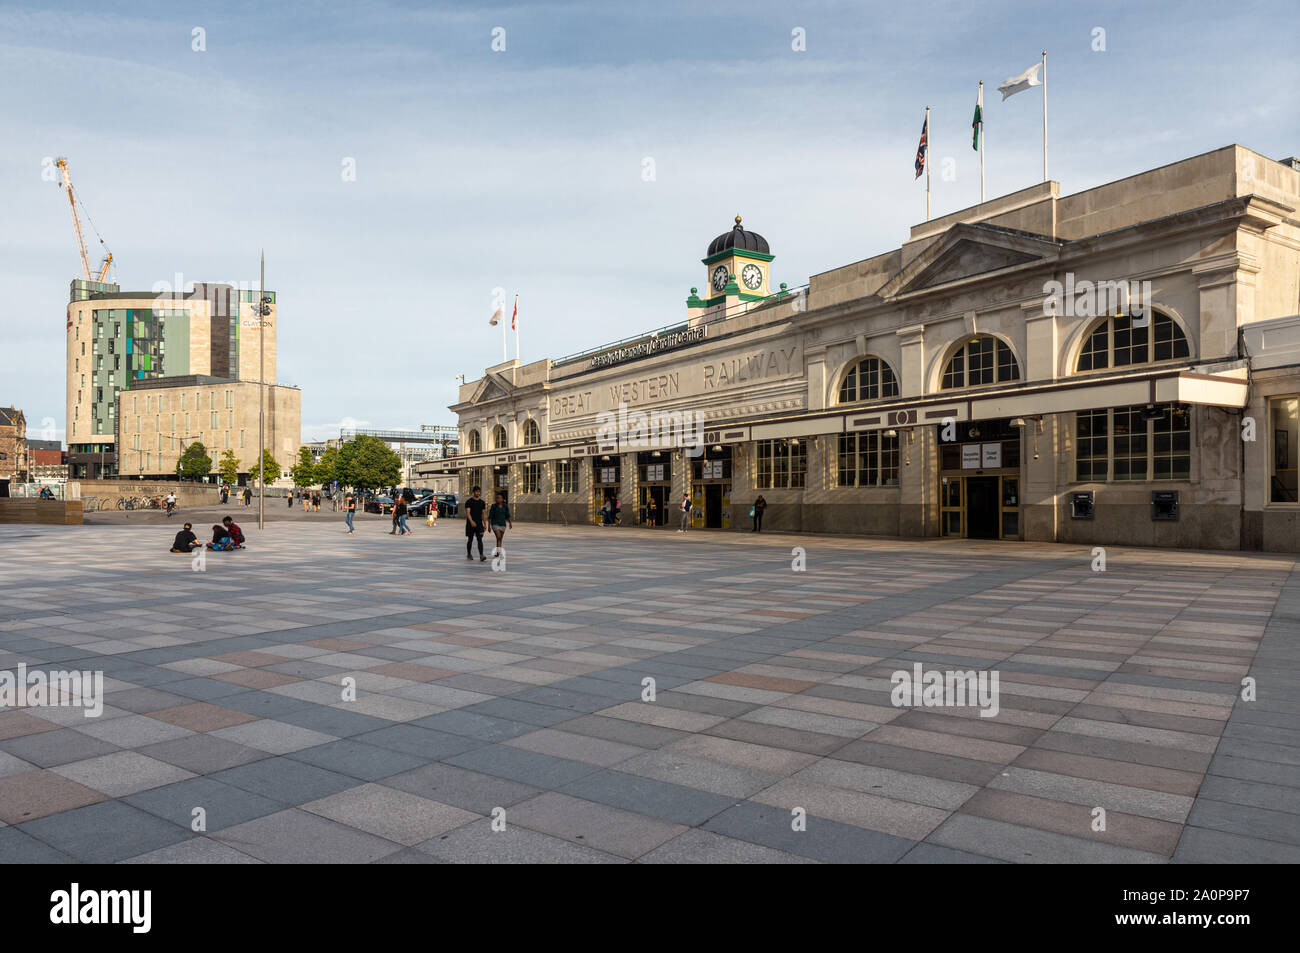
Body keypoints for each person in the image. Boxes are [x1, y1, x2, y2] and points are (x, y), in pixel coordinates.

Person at [465, 485, 487, 561]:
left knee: (480, 539)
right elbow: (468, 513)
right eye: (477, 491)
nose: (478, 493)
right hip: (470, 523)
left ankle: (481, 555)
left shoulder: (482, 502)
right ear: (473, 492)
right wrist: (471, 521)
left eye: (479, 492)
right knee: (470, 539)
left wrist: (485, 524)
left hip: (479, 524)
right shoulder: (469, 502)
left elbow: (483, 514)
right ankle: (469, 554)